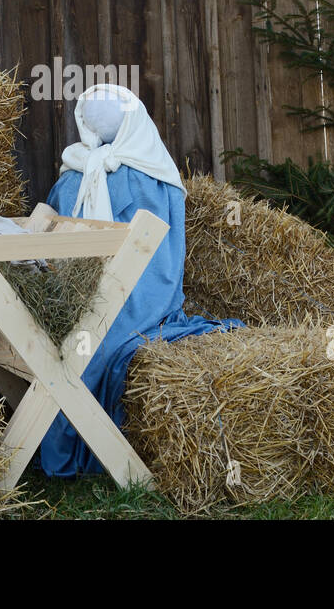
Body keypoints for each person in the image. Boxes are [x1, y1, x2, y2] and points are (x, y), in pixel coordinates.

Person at [39, 83, 241, 476]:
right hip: (141, 296)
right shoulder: (155, 175)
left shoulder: (72, 173)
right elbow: (167, 249)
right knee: (103, 339)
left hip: (67, 300)